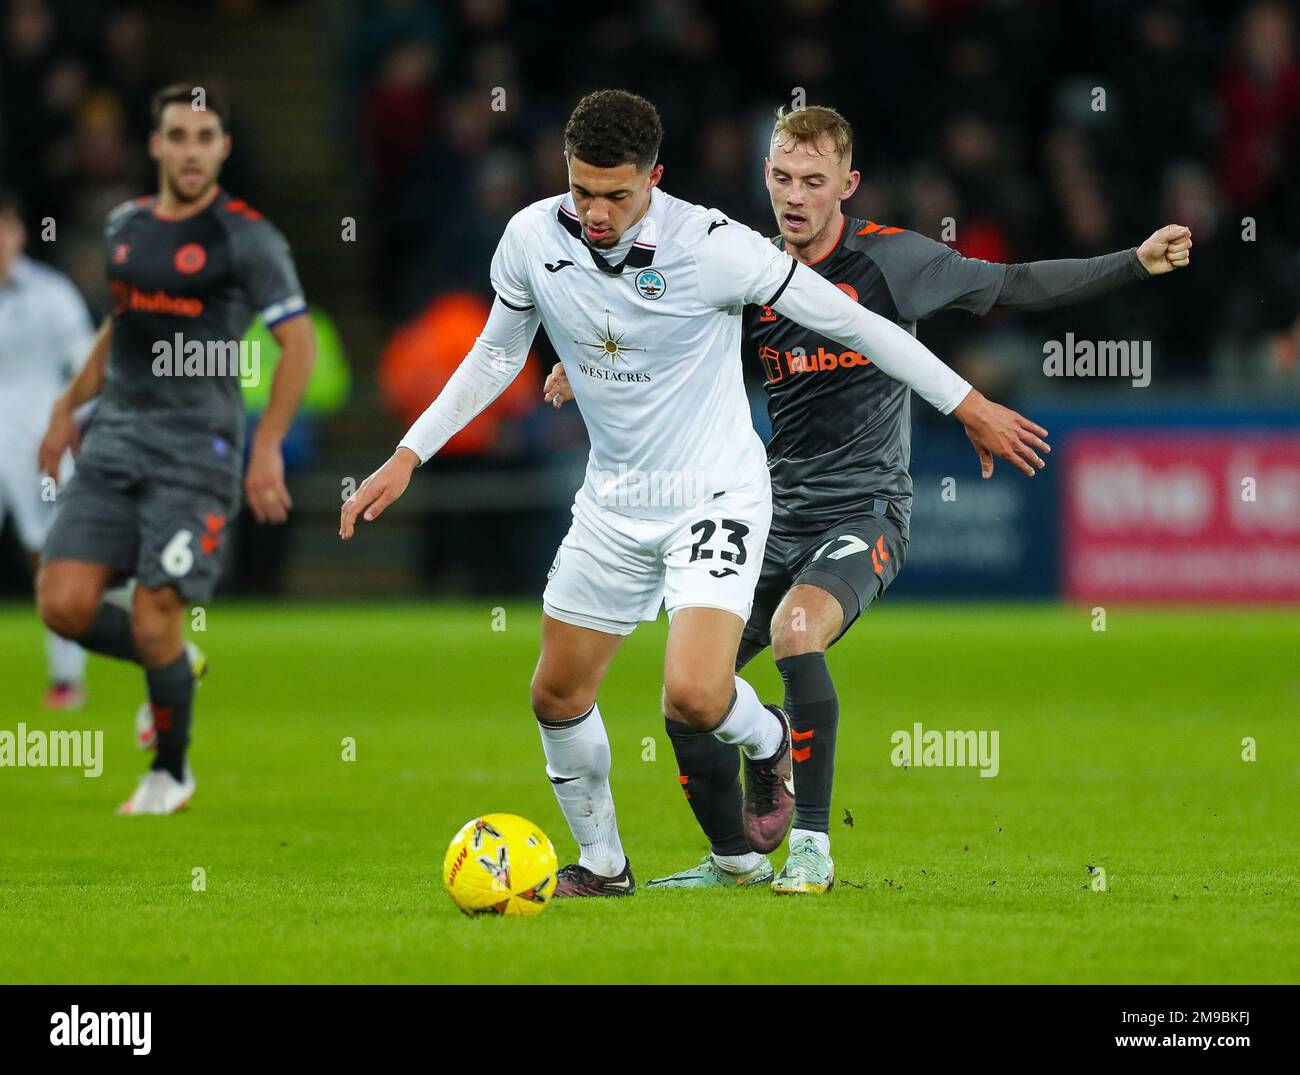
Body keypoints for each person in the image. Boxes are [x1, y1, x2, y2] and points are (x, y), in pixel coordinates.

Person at [341, 90, 1048, 897]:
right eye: (582, 191)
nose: (596, 212)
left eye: (616, 194)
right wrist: (407, 453)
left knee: (696, 694)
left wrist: (970, 404)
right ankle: (604, 865)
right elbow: (496, 356)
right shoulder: (531, 238)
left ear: (655, 178)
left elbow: (857, 325)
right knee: (555, 691)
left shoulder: (713, 244)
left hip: (714, 493)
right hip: (612, 500)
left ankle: (770, 737)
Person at [547, 104, 1191, 894]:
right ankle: (734, 863)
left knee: (795, 631)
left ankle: (812, 847)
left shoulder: (895, 264)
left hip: (865, 510)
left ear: (846, 185)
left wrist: (1133, 260)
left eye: (814, 181)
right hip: (764, 510)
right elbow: (659, 328)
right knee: (690, 699)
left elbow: (1014, 283)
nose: (795, 195)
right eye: (782, 177)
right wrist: (586, 366)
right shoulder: (744, 266)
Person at [36, 83, 317, 815]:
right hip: (116, 440)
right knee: (61, 603)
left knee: (156, 610)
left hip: (200, 451)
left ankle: (170, 771)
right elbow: (116, 329)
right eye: (177, 135)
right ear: (156, 145)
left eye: (205, 136)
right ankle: (174, 665)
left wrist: (268, 448)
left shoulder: (248, 237)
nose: (191, 150)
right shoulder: (126, 225)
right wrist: (67, 408)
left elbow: (299, 342)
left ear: (222, 147)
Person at [0, 191, 95, 710]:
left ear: (19, 235)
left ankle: (66, 678)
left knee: (53, 557)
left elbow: (86, 370)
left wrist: (73, 427)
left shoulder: (51, 295)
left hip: (39, 442)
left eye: (5, 230)